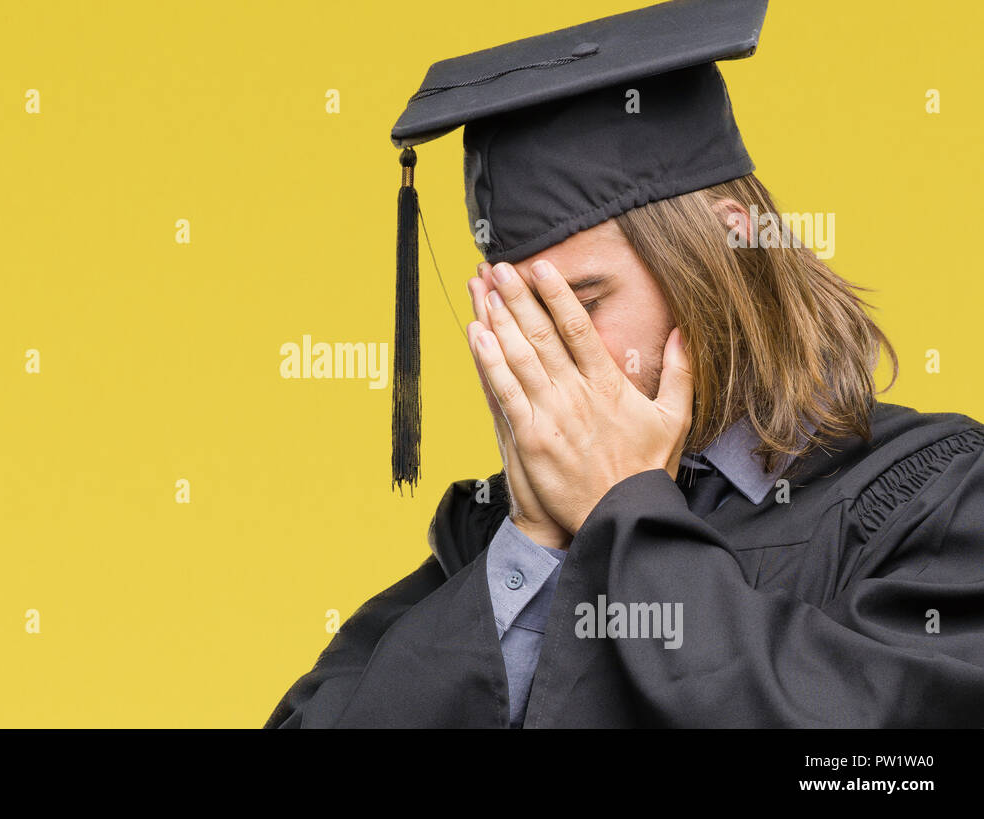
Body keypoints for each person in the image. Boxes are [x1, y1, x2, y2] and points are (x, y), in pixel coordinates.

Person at [266, 0, 984, 728]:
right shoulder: (492, 540)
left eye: (584, 301)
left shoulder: (938, 499)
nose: (546, 351)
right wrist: (535, 547)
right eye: (522, 312)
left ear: (727, 252)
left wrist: (625, 512)